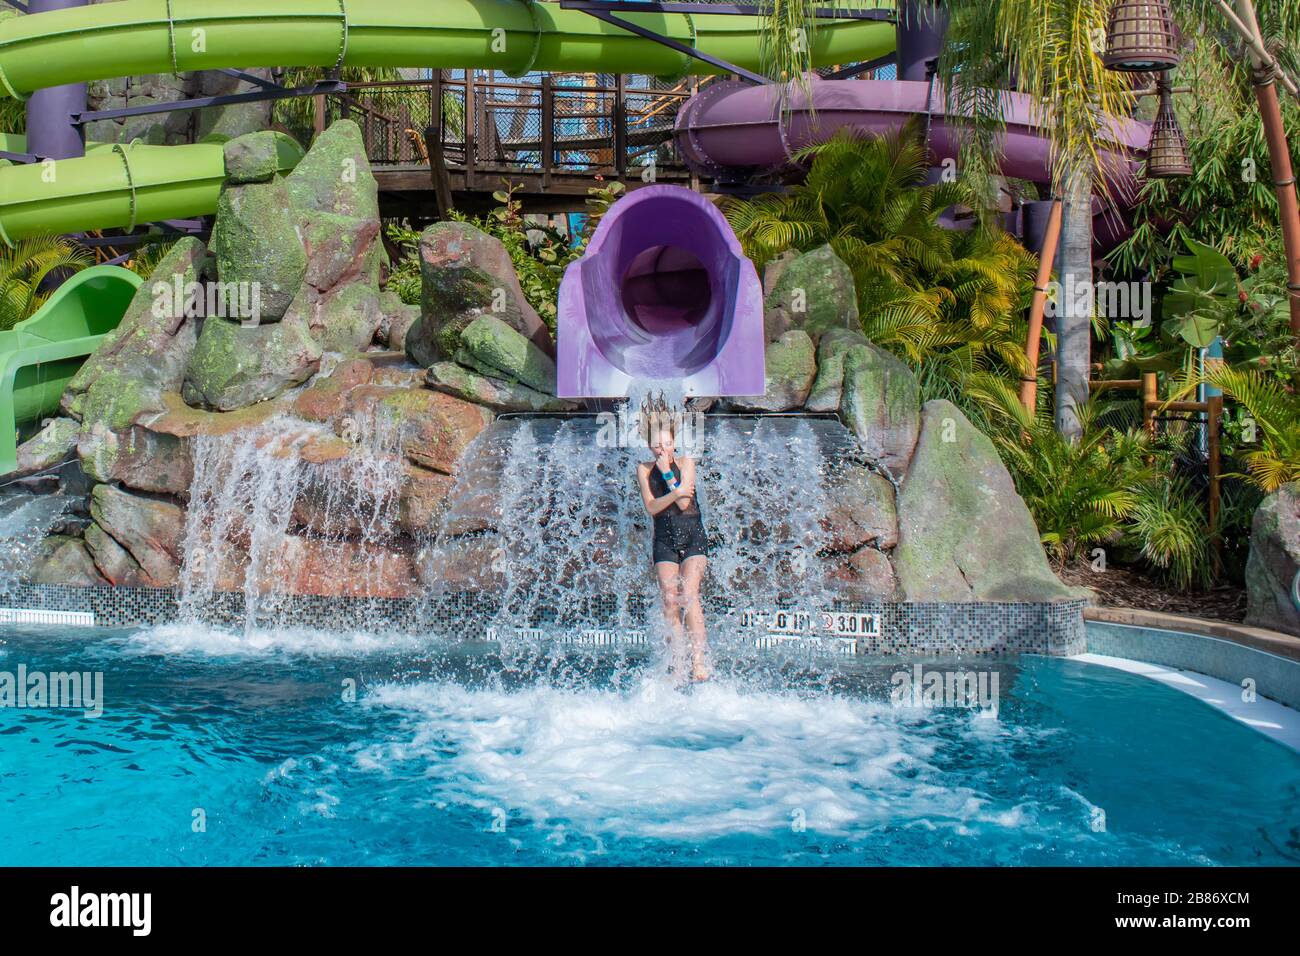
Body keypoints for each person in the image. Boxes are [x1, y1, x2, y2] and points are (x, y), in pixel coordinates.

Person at [635, 396, 710, 682]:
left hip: (692, 535)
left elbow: (683, 505)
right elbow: (652, 507)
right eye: (656, 445)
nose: (662, 449)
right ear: (648, 446)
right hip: (664, 537)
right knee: (669, 600)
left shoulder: (686, 462)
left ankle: (699, 662)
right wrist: (675, 491)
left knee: (689, 596)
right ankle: (678, 665)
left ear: (674, 442)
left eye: (666, 444)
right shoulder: (643, 469)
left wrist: (668, 473)